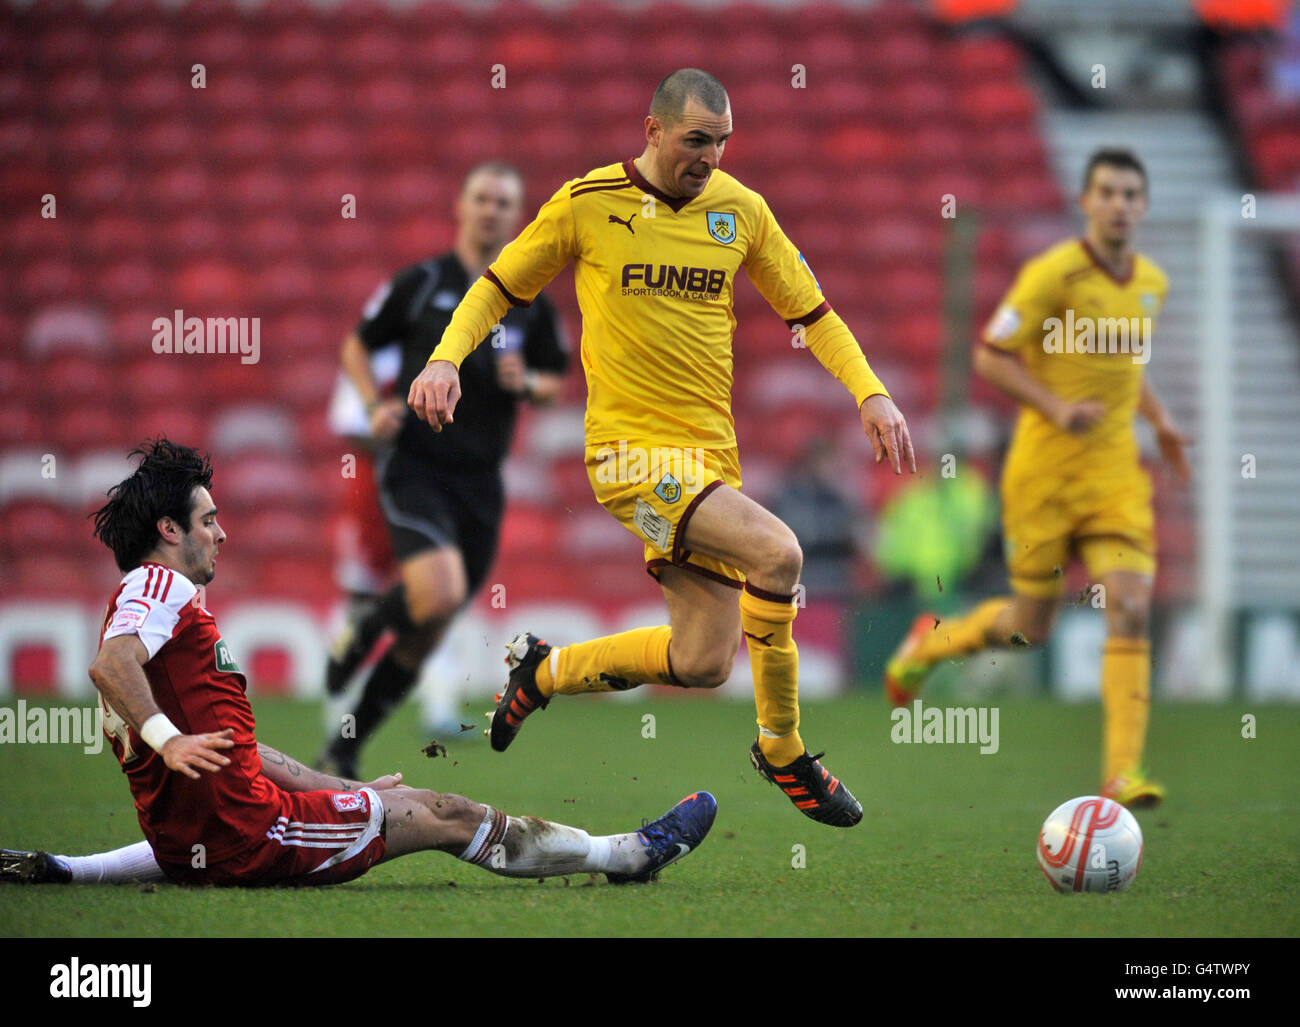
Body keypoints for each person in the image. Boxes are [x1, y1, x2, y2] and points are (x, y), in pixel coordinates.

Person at [408, 69, 916, 829]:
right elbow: (497, 286)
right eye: (696, 140)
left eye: (721, 141)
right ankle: (784, 749)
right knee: (778, 555)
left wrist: (869, 390)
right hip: (627, 455)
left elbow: (812, 312)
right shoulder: (587, 204)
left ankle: (542, 672)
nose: (710, 155)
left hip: (708, 461)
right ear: (652, 131)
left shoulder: (741, 211)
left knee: (704, 658)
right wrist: (446, 357)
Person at [4, 439, 715, 887]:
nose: (223, 531)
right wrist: (168, 737)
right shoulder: (161, 586)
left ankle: (67, 867)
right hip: (252, 838)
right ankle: (625, 854)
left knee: (365, 804)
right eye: (209, 518)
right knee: (443, 810)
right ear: (169, 530)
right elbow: (109, 663)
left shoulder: (146, 605)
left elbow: (246, 755)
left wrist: (343, 789)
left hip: (197, 837)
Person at [884, 149, 1190, 809]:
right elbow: (990, 356)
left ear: (1143, 205)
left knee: (1131, 606)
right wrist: (1056, 409)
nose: (1119, 204)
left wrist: (1161, 421)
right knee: (1031, 627)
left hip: (1113, 479)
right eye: (1107, 191)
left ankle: (1121, 773)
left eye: (1131, 194)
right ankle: (934, 641)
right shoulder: (1054, 275)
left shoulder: (1151, 285)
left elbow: (1125, 372)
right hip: (1043, 479)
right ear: (1085, 201)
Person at [319, 162, 569, 779]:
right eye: (481, 198)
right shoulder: (420, 281)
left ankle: (347, 747)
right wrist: (376, 403)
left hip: (482, 481)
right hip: (416, 463)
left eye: (504, 202)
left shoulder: (531, 302)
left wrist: (531, 383)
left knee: (428, 631)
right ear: (461, 207)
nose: (491, 210)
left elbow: (556, 380)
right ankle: (359, 634)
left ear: (517, 216)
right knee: (440, 592)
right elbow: (357, 343)